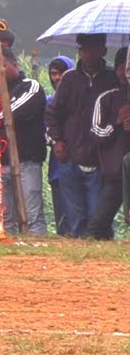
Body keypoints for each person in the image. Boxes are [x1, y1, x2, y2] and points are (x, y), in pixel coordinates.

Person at [45, 33, 118, 237]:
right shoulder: (69, 79)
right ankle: (79, 262)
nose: (88, 53)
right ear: (79, 51)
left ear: (103, 50)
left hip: (101, 157)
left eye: (93, 48)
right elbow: (52, 112)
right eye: (84, 49)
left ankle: (102, 258)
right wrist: (57, 140)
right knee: (76, 217)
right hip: (69, 155)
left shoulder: (112, 79)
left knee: (98, 216)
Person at [0, 48, 47, 237]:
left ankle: (39, 254)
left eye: (2, 65)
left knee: (32, 215)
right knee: (4, 219)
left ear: (14, 65)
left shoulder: (31, 86)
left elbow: (12, 113)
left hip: (26, 161)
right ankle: (8, 258)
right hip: (0, 163)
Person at [89, 47, 129, 240]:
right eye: (121, 67)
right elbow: (96, 134)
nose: (124, 72)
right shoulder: (107, 98)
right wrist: (117, 123)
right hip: (115, 174)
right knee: (97, 226)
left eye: (127, 67)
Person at [46, 56, 75, 236]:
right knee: (62, 211)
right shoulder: (49, 101)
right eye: (53, 74)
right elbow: (46, 132)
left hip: (79, 160)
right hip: (58, 164)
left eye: (62, 73)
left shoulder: (80, 99)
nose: (57, 77)